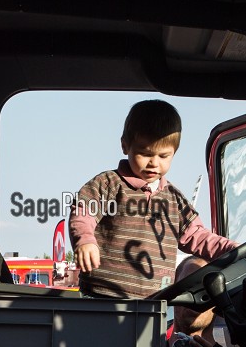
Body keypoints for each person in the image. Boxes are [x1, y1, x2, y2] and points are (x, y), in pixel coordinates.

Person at [69, 100, 235, 299]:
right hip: (102, 298)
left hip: (154, 302)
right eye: (144, 153)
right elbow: (83, 213)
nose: (153, 163)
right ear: (125, 145)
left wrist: (229, 249)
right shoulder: (109, 184)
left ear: (174, 152)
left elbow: (196, 235)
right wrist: (85, 240)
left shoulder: (174, 198)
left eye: (164, 156)